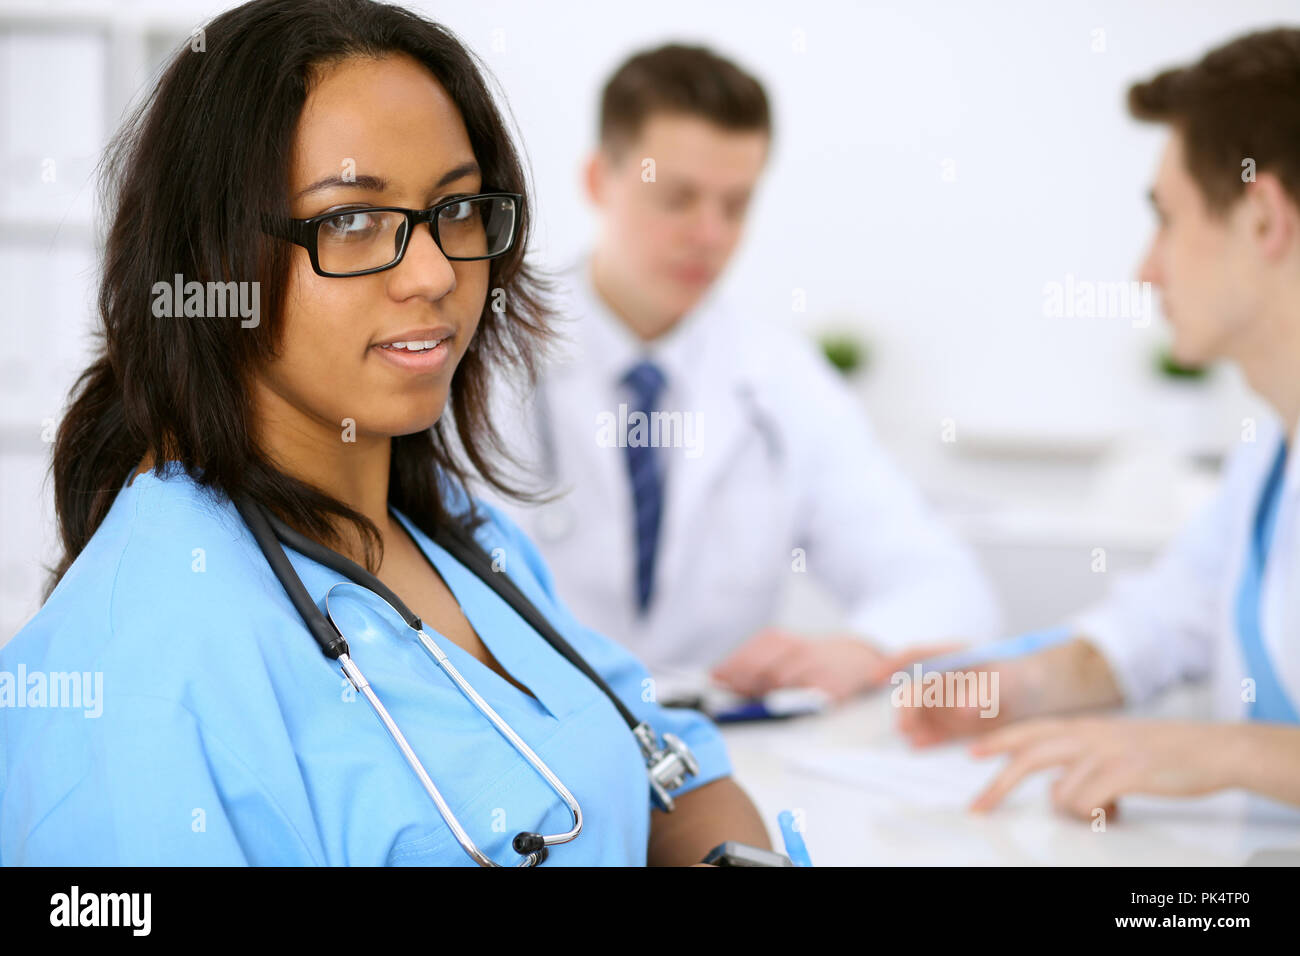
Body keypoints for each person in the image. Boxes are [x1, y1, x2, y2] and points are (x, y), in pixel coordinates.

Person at [0, 0, 771, 866]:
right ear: (209, 259)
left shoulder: (455, 532)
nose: (437, 271)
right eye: (350, 220)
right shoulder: (134, 668)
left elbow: (665, 768)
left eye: (459, 208)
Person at [481, 44, 1001, 704]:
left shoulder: (782, 379)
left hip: (725, 756)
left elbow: (946, 587)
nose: (709, 234)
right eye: (677, 198)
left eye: (736, 205)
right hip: (528, 737)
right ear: (596, 181)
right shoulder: (484, 356)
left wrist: (864, 648)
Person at [899, 28, 1300, 817]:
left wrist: (1225, 752)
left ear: (1261, 220)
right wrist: (1006, 684)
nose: (1146, 269)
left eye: (1167, 218)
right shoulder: (1270, 460)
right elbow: (1163, 622)